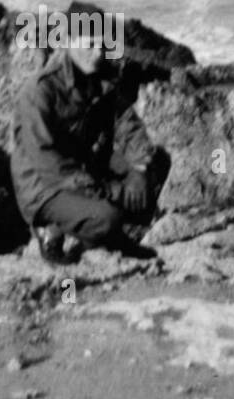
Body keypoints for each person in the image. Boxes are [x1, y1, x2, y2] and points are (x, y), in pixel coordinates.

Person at [9, 17, 166, 264]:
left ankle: (106, 231)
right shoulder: (39, 91)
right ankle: (52, 230)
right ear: (69, 42)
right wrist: (109, 191)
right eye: (90, 44)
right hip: (44, 186)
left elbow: (128, 125)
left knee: (156, 164)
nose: (98, 52)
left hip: (85, 166)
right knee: (107, 217)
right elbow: (48, 162)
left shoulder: (101, 79)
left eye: (103, 46)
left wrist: (139, 169)